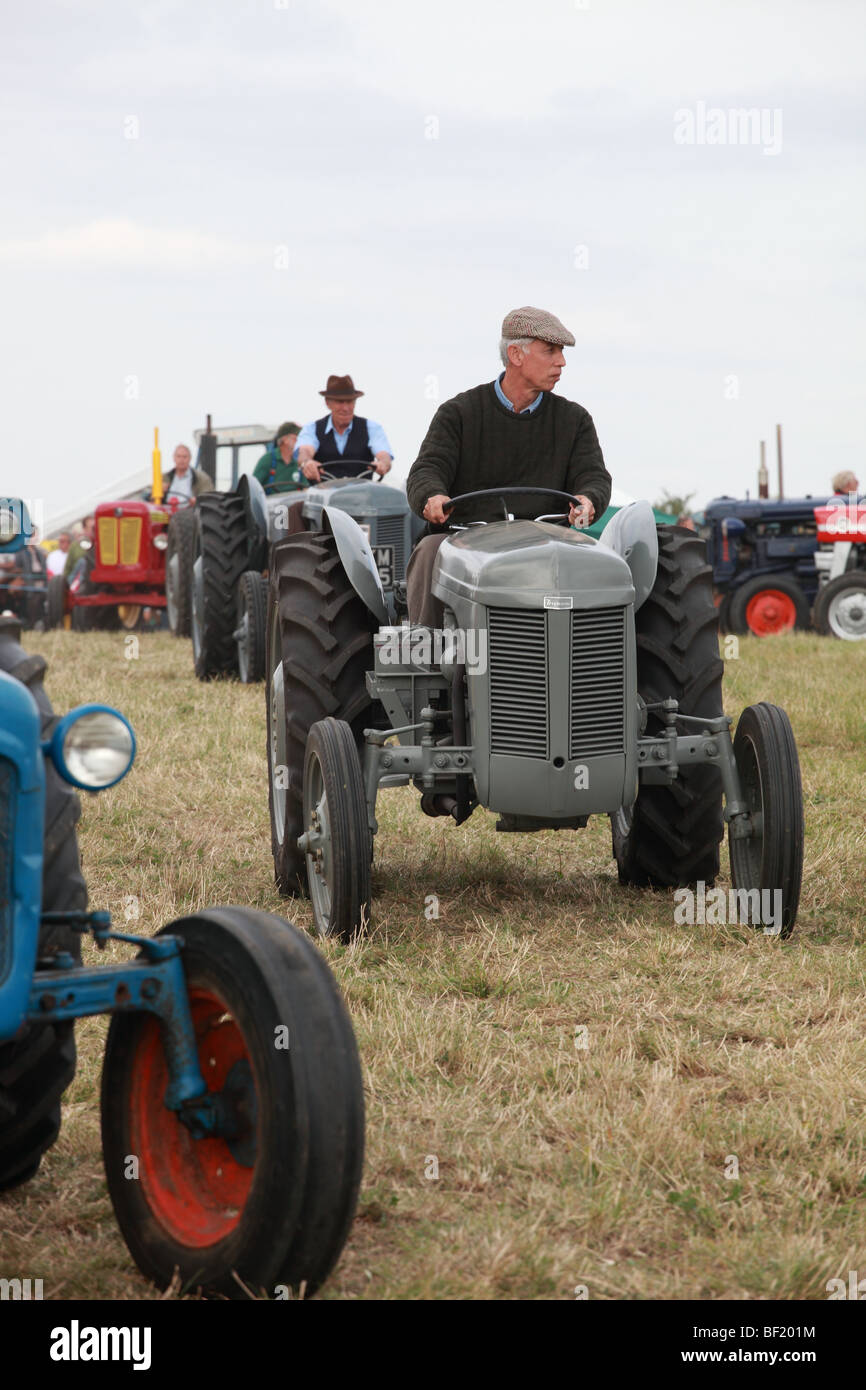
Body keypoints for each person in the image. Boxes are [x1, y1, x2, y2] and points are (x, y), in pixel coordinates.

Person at [405, 306, 612, 626]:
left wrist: (588, 499)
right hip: (465, 539)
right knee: (432, 550)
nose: (562, 362)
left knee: (595, 564)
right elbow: (428, 468)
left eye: (561, 352)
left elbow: (592, 475)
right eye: (551, 351)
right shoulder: (459, 413)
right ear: (516, 354)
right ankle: (429, 660)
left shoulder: (575, 420)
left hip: (549, 541)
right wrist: (431, 496)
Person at [296, 375, 393, 482]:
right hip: (324, 495)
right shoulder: (312, 428)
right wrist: (307, 463)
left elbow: (384, 455)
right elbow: (304, 451)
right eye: (340, 402)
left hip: (362, 496)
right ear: (328, 403)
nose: (346, 408)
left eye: (350, 401)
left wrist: (383, 463)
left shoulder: (372, 428)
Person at [252, 421, 305, 493]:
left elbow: (306, 489)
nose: (300, 441)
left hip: (297, 503)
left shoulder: (299, 461)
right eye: (296, 438)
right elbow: (253, 488)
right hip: (271, 503)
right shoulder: (267, 460)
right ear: (285, 440)